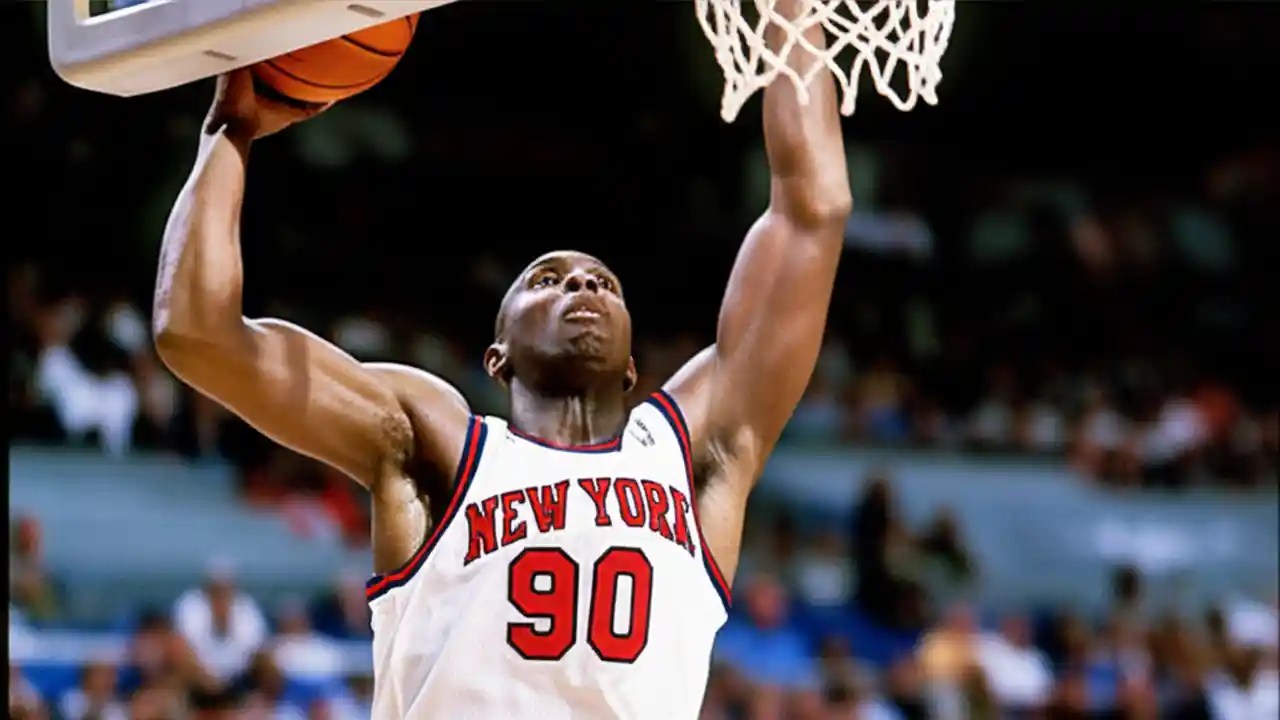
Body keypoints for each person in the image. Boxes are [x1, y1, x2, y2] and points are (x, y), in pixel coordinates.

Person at [152, 0, 851, 715]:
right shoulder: (434, 442)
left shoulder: (691, 453)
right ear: (497, 357)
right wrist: (228, 135)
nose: (581, 283)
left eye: (602, 283)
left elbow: (812, 212)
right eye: (546, 279)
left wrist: (790, 16)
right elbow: (198, 335)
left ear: (635, 366)